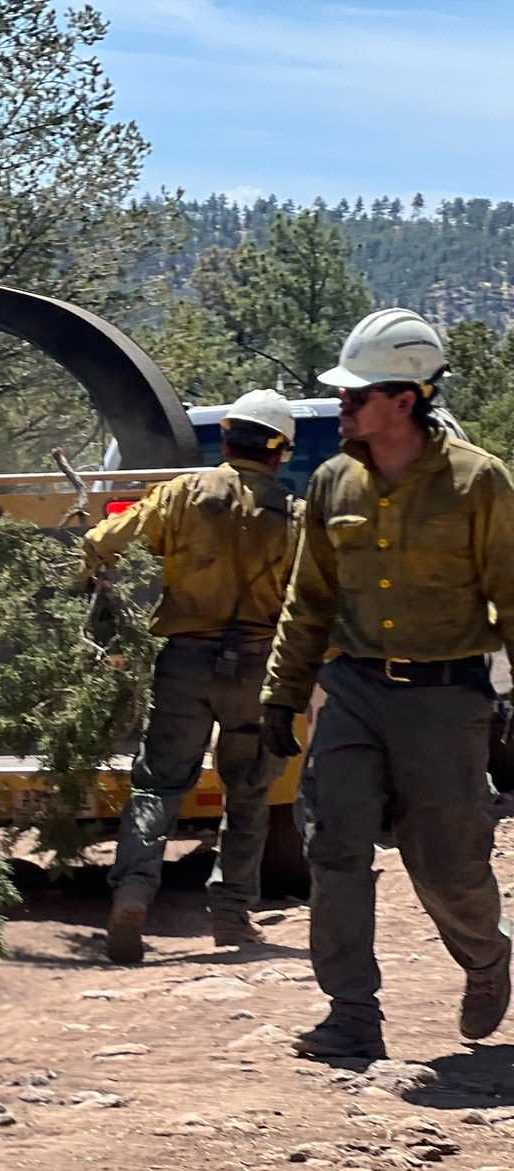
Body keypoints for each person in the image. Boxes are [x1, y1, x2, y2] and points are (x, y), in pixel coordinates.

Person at [261, 308, 514, 1059]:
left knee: (444, 862)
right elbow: (308, 601)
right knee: (332, 845)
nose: (340, 409)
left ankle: (486, 957)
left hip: (446, 698)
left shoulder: (481, 482)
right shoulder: (335, 483)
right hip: (356, 692)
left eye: (353, 397)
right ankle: (351, 1014)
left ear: (405, 399)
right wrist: (282, 692)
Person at [84, 389, 304, 962]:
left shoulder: (182, 494)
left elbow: (101, 542)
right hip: (258, 667)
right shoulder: (292, 514)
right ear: (279, 453)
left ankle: (132, 894)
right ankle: (231, 916)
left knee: (159, 784)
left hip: (185, 661)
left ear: (227, 438)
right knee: (250, 791)